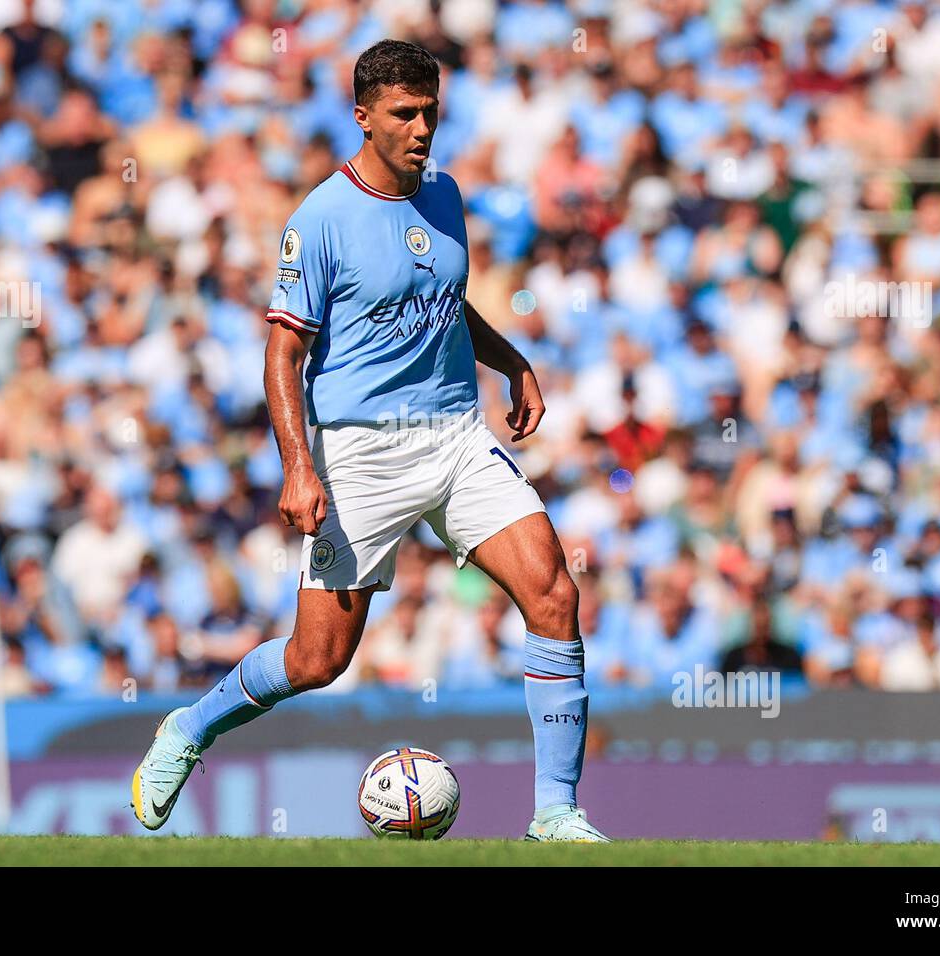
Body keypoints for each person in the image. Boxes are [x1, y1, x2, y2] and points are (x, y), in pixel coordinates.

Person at [131, 39, 607, 842]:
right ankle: (187, 730)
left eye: (430, 112)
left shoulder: (446, 195)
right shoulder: (321, 219)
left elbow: (448, 303)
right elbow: (283, 352)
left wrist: (511, 361)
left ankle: (555, 814)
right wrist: (297, 466)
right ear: (363, 117)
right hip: (360, 452)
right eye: (404, 114)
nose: (422, 128)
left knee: (555, 594)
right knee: (318, 661)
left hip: (456, 436)